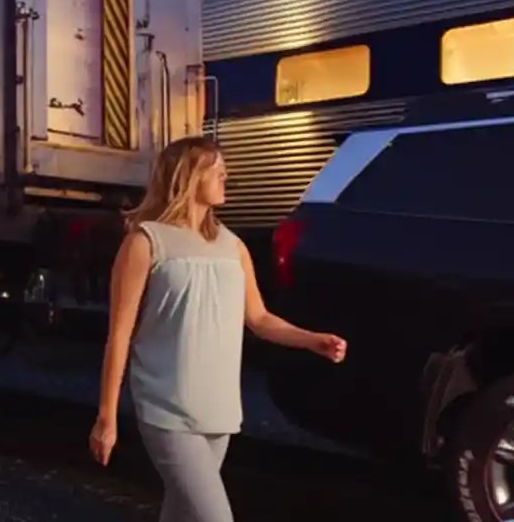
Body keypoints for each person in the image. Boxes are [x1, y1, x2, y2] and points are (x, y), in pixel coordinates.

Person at [88, 136, 348, 522]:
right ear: (188, 176)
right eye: (216, 168)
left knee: (182, 513)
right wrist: (106, 416)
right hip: (166, 407)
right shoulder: (145, 242)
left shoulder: (233, 246)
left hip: (218, 409)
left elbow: (259, 319)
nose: (226, 175)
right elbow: (120, 334)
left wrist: (312, 340)